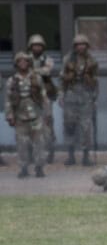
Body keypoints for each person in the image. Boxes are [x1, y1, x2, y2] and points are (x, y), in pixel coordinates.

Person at [5, 51, 48, 178]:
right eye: (20, 61)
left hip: (36, 115)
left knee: (39, 142)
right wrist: (10, 115)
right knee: (22, 143)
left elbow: (44, 96)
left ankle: (39, 167)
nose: (23, 63)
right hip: (20, 116)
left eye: (25, 61)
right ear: (16, 64)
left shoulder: (36, 78)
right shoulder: (12, 81)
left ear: (29, 63)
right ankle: (23, 168)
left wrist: (47, 113)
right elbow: (8, 100)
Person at [60, 34, 98, 166]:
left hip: (86, 95)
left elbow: (95, 80)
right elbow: (62, 79)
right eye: (78, 44)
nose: (81, 47)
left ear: (87, 46)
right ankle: (70, 155)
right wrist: (61, 95)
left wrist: (95, 98)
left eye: (83, 44)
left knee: (86, 127)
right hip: (71, 94)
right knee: (69, 125)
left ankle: (86, 156)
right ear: (74, 47)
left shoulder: (92, 60)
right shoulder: (67, 59)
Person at [28, 34, 57, 164]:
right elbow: (22, 71)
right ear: (31, 46)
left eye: (39, 45)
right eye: (35, 45)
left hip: (45, 97)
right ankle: (31, 153)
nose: (37, 47)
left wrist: (33, 71)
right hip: (30, 96)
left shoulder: (48, 59)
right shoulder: (26, 58)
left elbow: (47, 71)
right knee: (30, 124)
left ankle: (50, 152)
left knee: (48, 123)